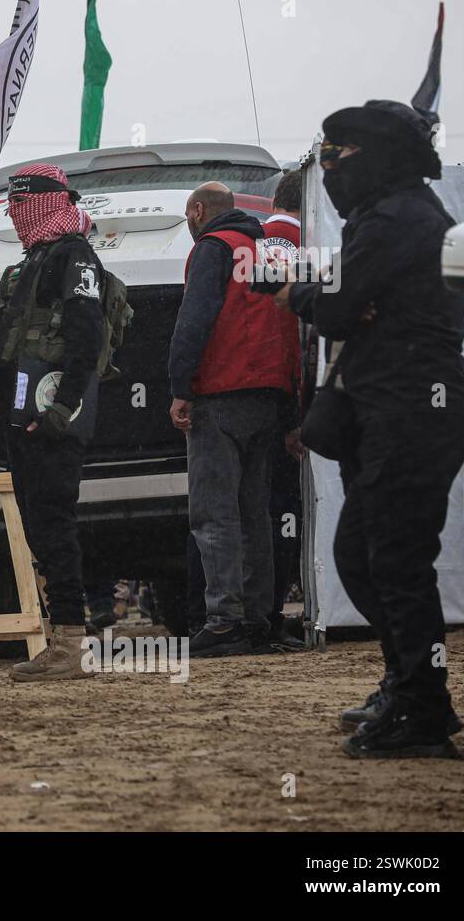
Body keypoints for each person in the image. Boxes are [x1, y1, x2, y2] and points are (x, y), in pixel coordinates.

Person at [275, 100, 464, 758]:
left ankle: (423, 707)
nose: (332, 168)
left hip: (410, 409)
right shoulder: (387, 216)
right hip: (386, 404)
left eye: (342, 155)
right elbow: (349, 300)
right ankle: (407, 686)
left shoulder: (397, 219)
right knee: (367, 555)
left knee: (393, 560)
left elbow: (332, 306)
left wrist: (301, 292)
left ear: (379, 155)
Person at [0, 164, 105, 683]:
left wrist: (62, 408)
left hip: (52, 419)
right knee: (38, 528)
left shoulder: (73, 254)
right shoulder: (34, 259)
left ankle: (71, 643)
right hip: (23, 417)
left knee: (54, 527)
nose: (15, 214)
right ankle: (63, 641)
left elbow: (87, 337)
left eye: (21, 204)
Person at [167, 182, 297, 658]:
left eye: (188, 215)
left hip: (220, 396)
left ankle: (224, 622)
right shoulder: (268, 251)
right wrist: (290, 410)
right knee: (254, 515)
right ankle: (259, 619)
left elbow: (194, 319)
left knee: (214, 514)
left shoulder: (212, 248)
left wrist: (180, 387)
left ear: (199, 211)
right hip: (267, 398)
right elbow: (288, 327)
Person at [262, 170, 308, 650]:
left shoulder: (264, 243)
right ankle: (273, 613)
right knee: (284, 510)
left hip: (262, 394)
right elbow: (290, 332)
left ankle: (270, 612)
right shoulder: (293, 243)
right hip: (287, 398)